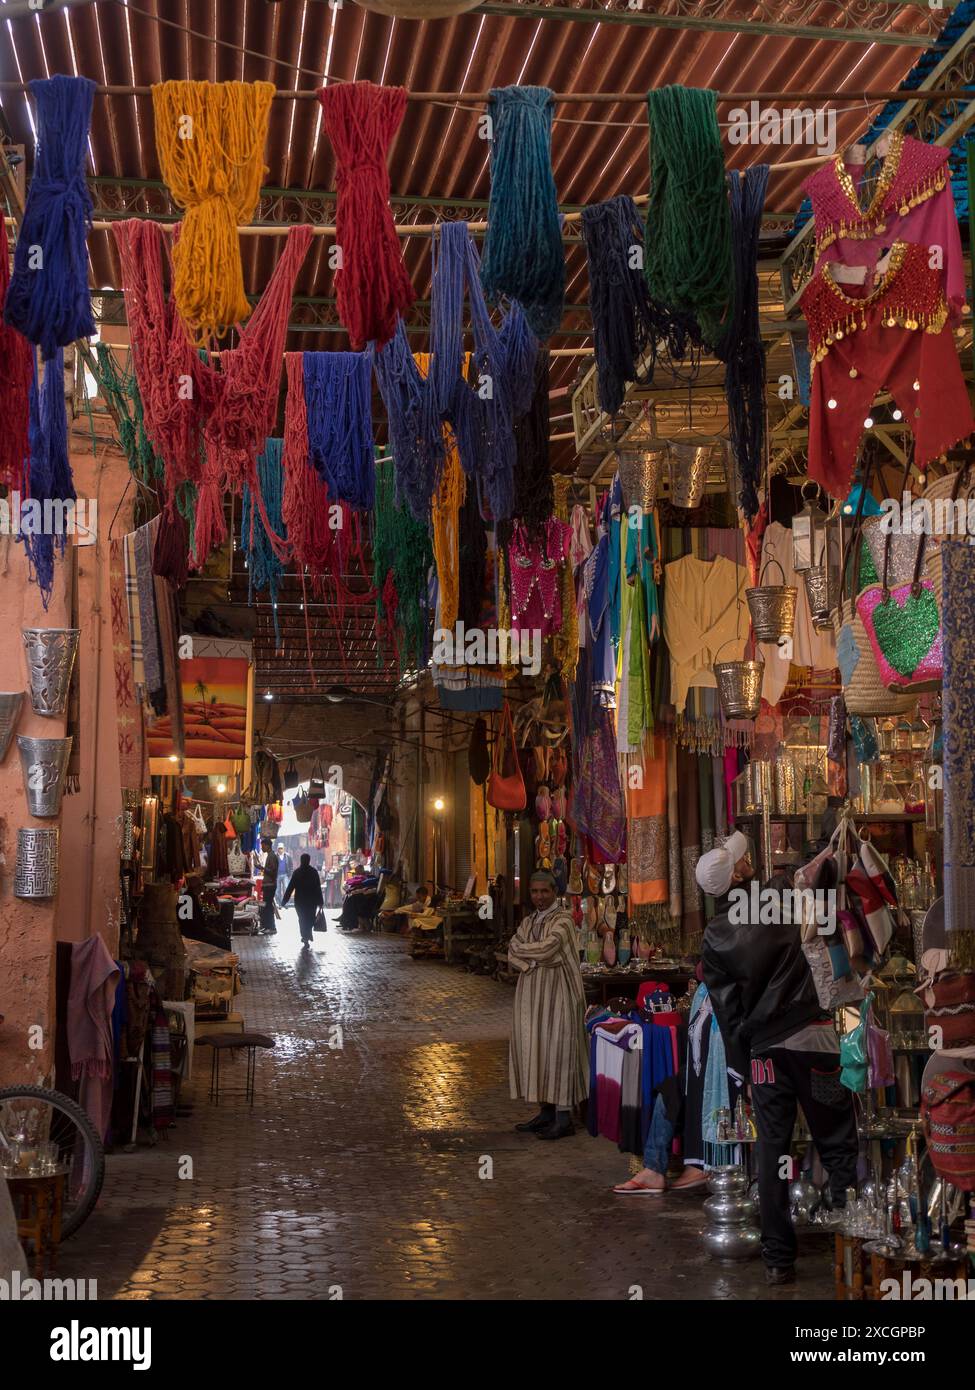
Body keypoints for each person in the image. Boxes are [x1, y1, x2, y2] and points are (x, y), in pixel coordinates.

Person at [699, 833, 858, 1287]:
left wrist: (743, 1070)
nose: (747, 859)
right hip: (812, 1039)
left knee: (772, 1150)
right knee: (837, 1139)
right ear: (737, 874)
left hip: (764, 1052)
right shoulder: (775, 894)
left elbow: (728, 1015)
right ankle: (851, 1242)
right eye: (740, 859)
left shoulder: (715, 936)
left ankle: (777, 1259)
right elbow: (820, 873)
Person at [508, 870, 589, 1141]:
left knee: (559, 1051)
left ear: (555, 892)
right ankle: (546, 1111)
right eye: (534, 892)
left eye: (544, 891)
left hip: (560, 995)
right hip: (531, 997)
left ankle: (564, 1118)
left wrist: (527, 955)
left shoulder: (564, 920)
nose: (539, 896)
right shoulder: (529, 920)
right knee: (535, 1048)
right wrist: (531, 959)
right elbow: (512, 950)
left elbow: (548, 949)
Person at [282, 853, 325, 947]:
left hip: (300, 901)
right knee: (310, 918)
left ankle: (305, 936)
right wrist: (320, 902)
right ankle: (307, 934)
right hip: (311, 901)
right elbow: (318, 888)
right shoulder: (313, 872)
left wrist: (284, 900)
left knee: (302, 919)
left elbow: (290, 887)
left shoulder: (297, 872)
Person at [259, 838, 279, 935]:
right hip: (268, 885)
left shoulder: (272, 856)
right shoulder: (269, 856)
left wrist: (262, 868)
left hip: (270, 885)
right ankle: (267, 926)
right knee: (267, 906)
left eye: (263, 846)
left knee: (268, 907)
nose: (262, 847)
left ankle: (271, 927)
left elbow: (273, 872)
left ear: (267, 845)